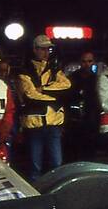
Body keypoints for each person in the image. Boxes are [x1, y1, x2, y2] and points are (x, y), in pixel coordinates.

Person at [16, 35, 75, 179]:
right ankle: (36, 196)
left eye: (48, 49)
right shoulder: (24, 71)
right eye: (42, 49)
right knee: (35, 166)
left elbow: (67, 87)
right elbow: (30, 96)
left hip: (53, 124)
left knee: (56, 164)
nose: (46, 52)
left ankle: (54, 193)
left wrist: (43, 89)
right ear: (34, 49)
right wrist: (55, 97)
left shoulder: (55, 70)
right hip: (34, 124)